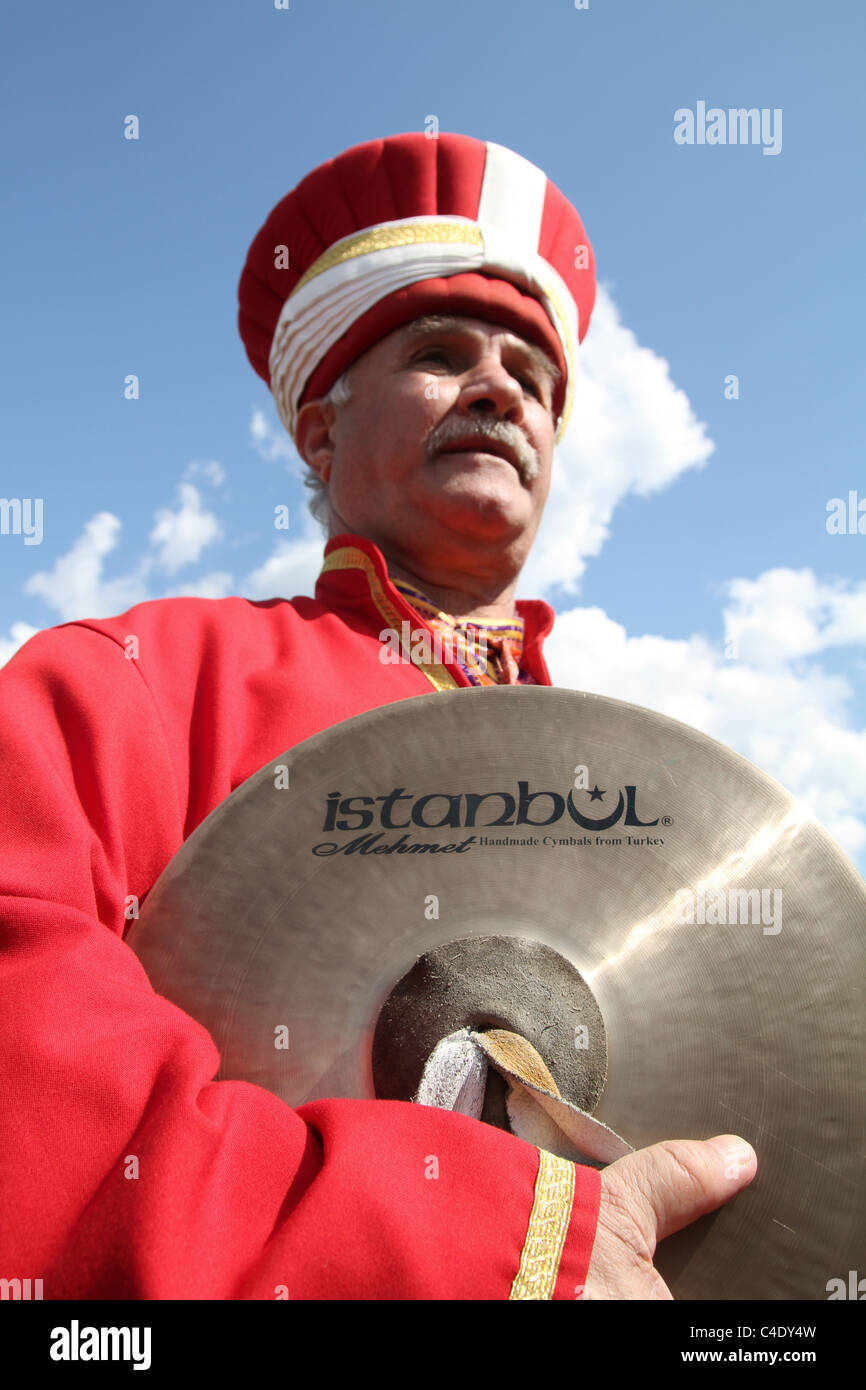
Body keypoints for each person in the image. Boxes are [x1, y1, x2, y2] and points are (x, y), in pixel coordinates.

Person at [0, 132, 755, 1301]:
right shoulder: (131, 680)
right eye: (441, 353)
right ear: (318, 432)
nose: (501, 389)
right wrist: (479, 1244)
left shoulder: (660, 794)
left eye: (535, 378)